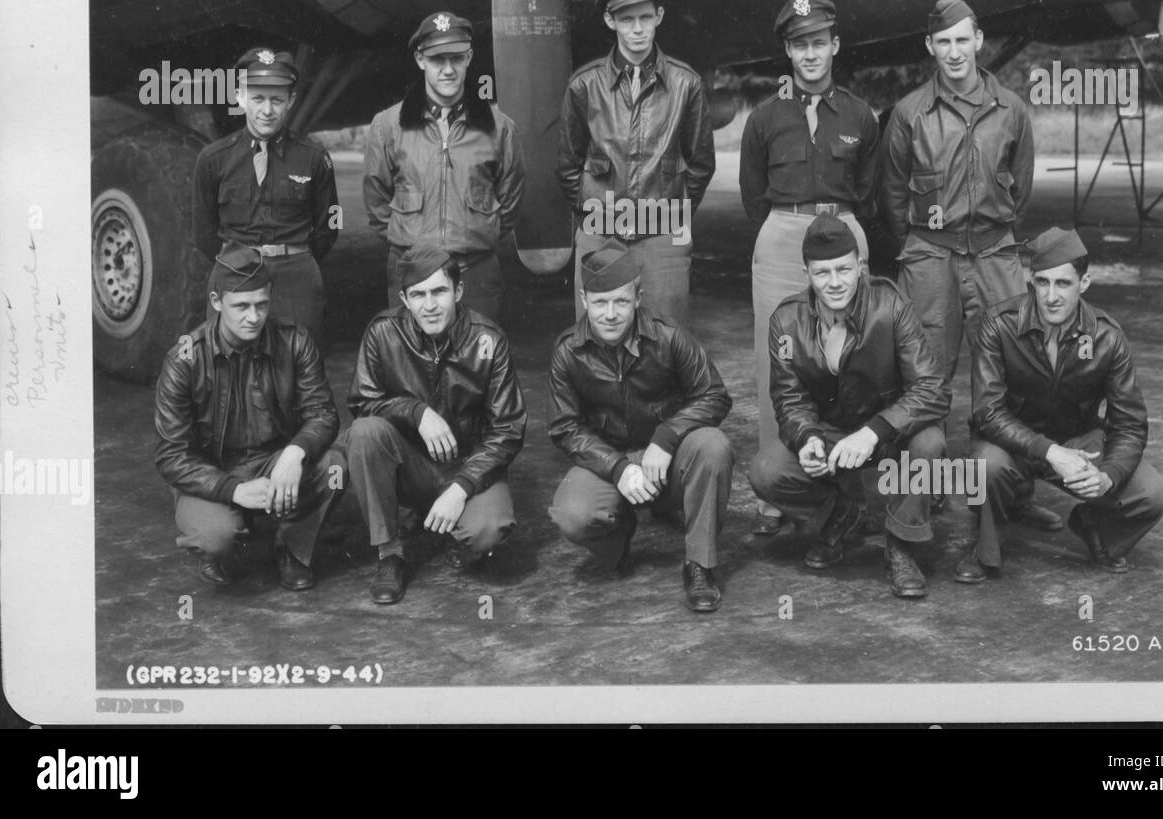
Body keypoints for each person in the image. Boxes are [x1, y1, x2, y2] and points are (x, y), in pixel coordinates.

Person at [880, 0, 1056, 529]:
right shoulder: (909, 113)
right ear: (929, 47)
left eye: (963, 40)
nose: (954, 52)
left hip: (996, 253)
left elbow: (1019, 189)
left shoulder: (1011, 109)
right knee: (924, 377)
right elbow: (890, 200)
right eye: (943, 42)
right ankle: (920, 495)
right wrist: (925, 246)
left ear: (979, 41)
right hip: (931, 254)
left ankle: (1007, 493)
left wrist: (987, 233)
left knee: (1005, 376)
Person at [955, 227, 1163, 582]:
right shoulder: (1000, 324)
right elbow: (987, 411)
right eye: (1043, 283)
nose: (1051, 296)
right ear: (1030, 281)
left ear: (1084, 283)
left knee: (1153, 494)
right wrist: (1050, 451)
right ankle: (984, 548)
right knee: (986, 466)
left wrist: (1108, 476)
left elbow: (1130, 424)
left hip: (1077, 444)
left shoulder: (1107, 336)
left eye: (1063, 284)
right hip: (1011, 443)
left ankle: (1094, 527)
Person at [750, 214, 948, 597]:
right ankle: (840, 515)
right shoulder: (786, 321)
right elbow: (790, 399)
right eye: (822, 273)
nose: (835, 282)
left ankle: (901, 545)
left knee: (930, 444)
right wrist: (806, 437)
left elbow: (932, 388)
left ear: (860, 268)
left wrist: (874, 433)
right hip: (832, 434)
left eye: (843, 269)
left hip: (889, 430)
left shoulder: (892, 306)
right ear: (805, 274)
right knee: (766, 471)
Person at [739, 0, 879, 536]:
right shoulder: (765, 118)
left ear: (834, 46)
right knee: (776, 356)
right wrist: (784, 229)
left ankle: (853, 478)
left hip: (843, 230)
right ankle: (779, 487)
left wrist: (844, 228)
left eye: (819, 43)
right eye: (800, 45)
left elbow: (867, 192)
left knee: (857, 349)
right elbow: (754, 194)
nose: (810, 54)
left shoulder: (860, 115)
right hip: (782, 233)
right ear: (788, 52)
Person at [548, 243, 734, 612]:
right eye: (600, 303)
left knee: (713, 446)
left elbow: (714, 395)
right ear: (584, 300)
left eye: (621, 301)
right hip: (608, 462)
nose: (611, 314)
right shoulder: (568, 350)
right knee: (573, 515)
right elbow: (565, 426)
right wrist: (618, 468)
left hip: (666, 460)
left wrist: (666, 438)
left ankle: (700, 564)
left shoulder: (668, 336)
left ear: (638, 298)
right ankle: (620, 532)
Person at [154, 243, 344, 590]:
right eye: (240, 306)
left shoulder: (295, 342)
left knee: (334, 467)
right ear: (216, 302)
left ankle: (293, 548)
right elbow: (171, 455)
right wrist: (232, 489)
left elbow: (323, 414)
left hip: (273, 462)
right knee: (215, 535)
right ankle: (225, 550)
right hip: (212, 472)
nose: (253, 317)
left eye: (261, 305)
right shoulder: (185, 359)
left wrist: (295, 452)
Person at [345, 244, 526, 605]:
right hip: (411, 464)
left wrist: (461, 487)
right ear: (404, 298)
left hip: (468, 468)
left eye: (439, 291)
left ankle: (455, 530)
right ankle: (390, 553)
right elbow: (362, 401)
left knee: (486, 532)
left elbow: (507, 431)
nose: (429, 305)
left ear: (458, 291)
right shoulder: (382, 333)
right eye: (418, 295)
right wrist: (417, 412)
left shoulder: (488, 340)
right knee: (364, 433)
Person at [556, 0, 716, 325]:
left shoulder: (686, 84)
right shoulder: (583, 85)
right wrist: (595, 217)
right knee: (596, 341)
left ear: (659, 16)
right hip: (600, 231)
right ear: (610, 21)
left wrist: (670, 214)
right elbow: (568, 165)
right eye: (627, 19)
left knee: (666, 339)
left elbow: (701, 164)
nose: (638, 29)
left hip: (662, 236)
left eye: (646, 17)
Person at [363, 12, 525, 321]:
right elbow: (377, 202)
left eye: (456, 58)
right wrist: (410, 243)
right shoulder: (387, 126)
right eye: (438, 59)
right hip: (411, 272)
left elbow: (510, 201)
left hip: (475, 272)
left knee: (476, 364)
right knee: (408, 364)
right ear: (420, 59)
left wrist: (477, 235)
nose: (448, 69)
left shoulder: (501, 128)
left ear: (469, 58)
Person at [192, 47, 339, 345]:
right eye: (257, 98)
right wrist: (235, 260)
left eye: (277, 100)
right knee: (229, 372)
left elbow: (330, 226)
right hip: (234, 276)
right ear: (240, 97)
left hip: (295, 279)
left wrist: (294, 257)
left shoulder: (314, 157)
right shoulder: (213, 159)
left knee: (300, 368)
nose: (267, 110)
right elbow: (203, 232)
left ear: (291, 101)